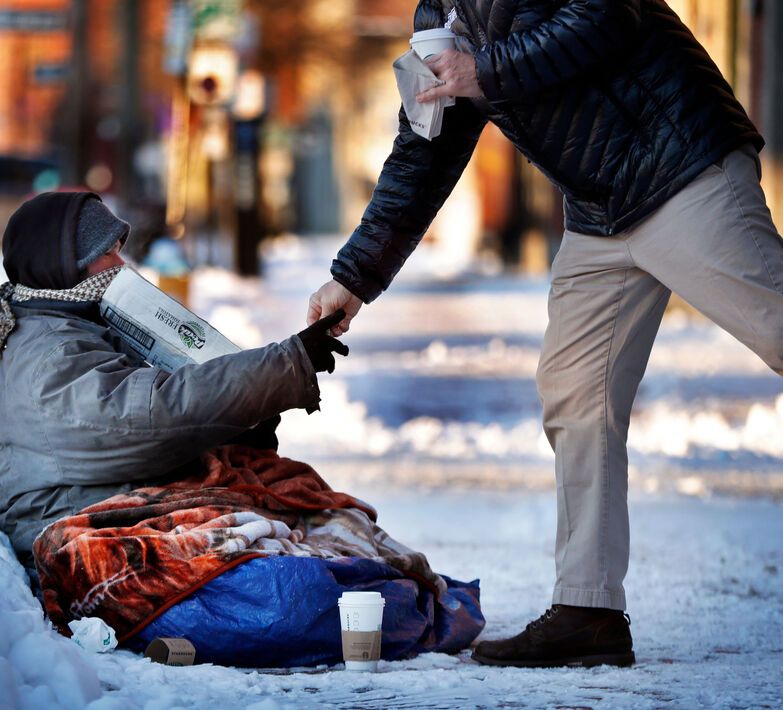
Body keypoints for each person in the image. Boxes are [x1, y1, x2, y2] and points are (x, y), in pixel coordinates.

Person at [307, 0, 783, 668]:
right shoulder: (438, 16)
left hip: (679, 172)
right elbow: (424, 149)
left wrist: (484, 69)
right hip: (598, 210)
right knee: (575, 396)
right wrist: (353, 277)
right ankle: (587, 611)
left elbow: (605, 18)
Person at [0, 191, 348, 558]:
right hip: (61, 523)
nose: (121, 264)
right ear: (63, 265)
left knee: (290, 492)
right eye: (107, 253)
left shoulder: (68, 324)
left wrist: (241, 428)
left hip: (98, 498)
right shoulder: (52, 350)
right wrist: (284, 366)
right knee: (276, 547)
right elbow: (152, 415)